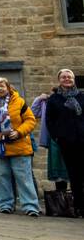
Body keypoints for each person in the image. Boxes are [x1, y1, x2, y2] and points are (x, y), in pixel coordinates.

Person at [0, 78, 40, 216]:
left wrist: (18, 132)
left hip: (19, 146)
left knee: (24, 177)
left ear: (8, 87)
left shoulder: (19, 101)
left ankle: (31, 206)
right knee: (1, 176)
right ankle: (5, 204)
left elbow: (30, 120)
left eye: (2, 86)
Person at [45, 69, 84, 217]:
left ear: (74, 79)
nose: (67, 79)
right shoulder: (54, 99)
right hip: (68, 143)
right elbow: (50, 121)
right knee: (75, 176)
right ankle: (79, 207)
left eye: (69, 77)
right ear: (59, 80)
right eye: (63, 77)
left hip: (83, 140)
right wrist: (58, 138)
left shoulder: (81, 97)